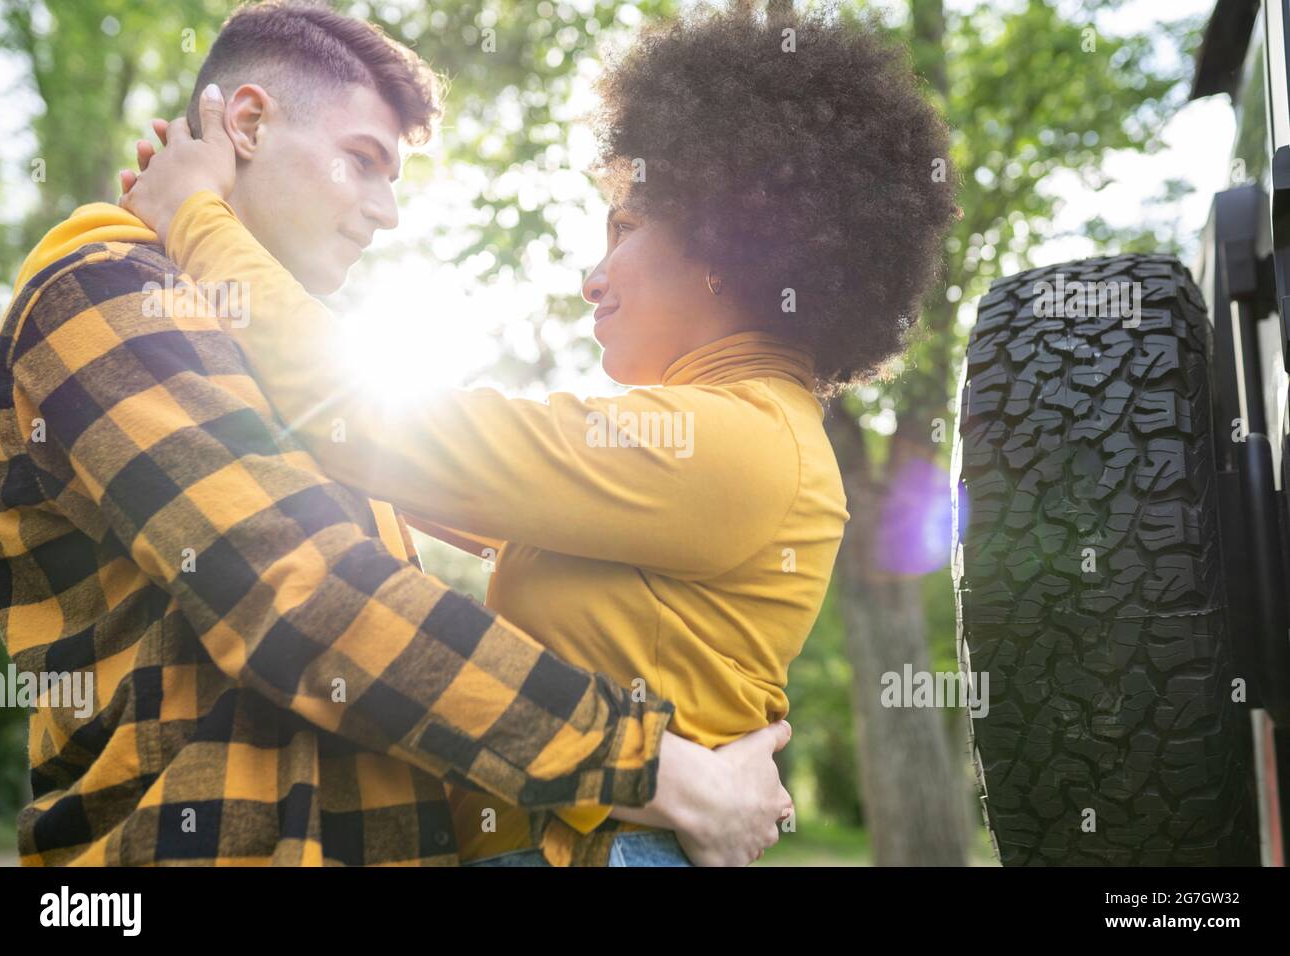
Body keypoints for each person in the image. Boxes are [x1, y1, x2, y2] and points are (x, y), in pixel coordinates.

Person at [117, 4, 956, 864]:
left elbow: (366, 423)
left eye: (624, 230)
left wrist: (194, 214)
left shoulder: (736, 442)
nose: (593, 277)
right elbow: (424, 481)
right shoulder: (737, 437)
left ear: (731, 244)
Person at [0, 0, 792, 867]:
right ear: (249, 122)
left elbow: (445, 474)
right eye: (362, 162)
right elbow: (300, 590)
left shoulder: (263, 361)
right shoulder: (106, 293)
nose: (386, 212)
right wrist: (657, 770)